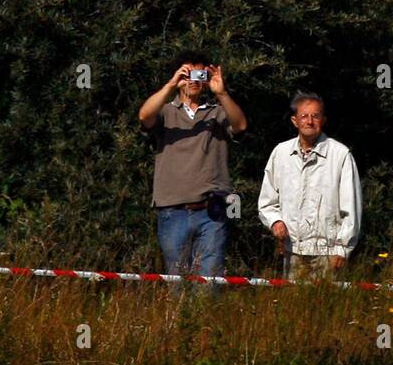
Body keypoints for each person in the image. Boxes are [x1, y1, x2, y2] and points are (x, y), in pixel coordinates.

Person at [138, 51, 249, 277]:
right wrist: (170, 85)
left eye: (200, 74)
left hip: (212, 211)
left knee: (209, 282)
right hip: (172, 211)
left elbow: (240, 126)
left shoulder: (217, 112)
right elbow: (144, 117)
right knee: (177, 281)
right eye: (188, 74)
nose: (194, 80)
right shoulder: (166, 112)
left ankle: (206, 314)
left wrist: (222, 93)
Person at [258, 91, 361, 282]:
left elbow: (351, 209)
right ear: (295, 121)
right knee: (294, 308)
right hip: (293, 250)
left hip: (328, 253)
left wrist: (342, 248)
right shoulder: (281, 153)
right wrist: (275, 221)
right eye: (304, 116)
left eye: (316, 116)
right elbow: (267, 201)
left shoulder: (340, 155)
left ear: (324, 120)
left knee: (325, 308)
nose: (310, 121)